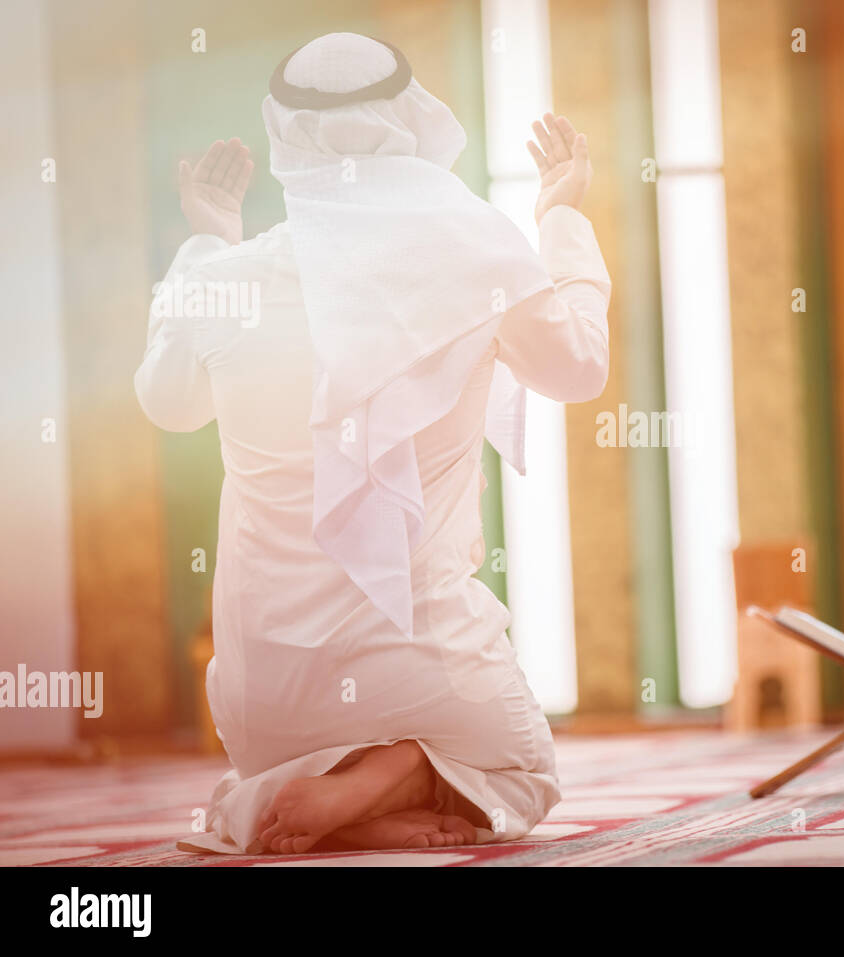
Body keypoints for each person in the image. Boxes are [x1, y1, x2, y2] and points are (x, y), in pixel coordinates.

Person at [134, 32, 611, 853]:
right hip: (426, 670)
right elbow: (579, 367)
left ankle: (334, 789)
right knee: (525, 769)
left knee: (278, 761)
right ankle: (397, 769)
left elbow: (168, 403)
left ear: (288, 134)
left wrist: (210, 236)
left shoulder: (226, 281)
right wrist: (559, 215)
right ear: (408, 120)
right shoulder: (477, 251)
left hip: (264, 704)